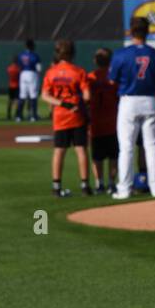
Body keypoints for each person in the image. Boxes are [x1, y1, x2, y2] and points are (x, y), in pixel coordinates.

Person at [109, 17, 155, 200]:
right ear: (147, 31)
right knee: (152, 147)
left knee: (126, 147)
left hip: (129, 101)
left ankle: (124, 189)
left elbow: (112, 80)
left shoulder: (121, 54)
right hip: (150, 100)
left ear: (131, 31)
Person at [40, 39, 92, 197]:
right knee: (81, 149)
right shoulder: (79, 71)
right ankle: (85, 186)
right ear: (73, 53)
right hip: (76, 115)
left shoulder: (51, 72)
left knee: (59, 151)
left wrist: (61, 103)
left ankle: (56, 186)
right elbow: (87, 96)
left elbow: (45, 96)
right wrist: (78, 104)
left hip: (60, 117)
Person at [85, 48, 119, 194]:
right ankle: (111, 183)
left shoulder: (90, 77)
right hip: (112, 121)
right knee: (113, 155)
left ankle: (100, 183)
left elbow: (85, 99)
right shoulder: (114, 76)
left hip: (96, 121)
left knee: (97, 156)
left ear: (95, 60)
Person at [16, 39, 43, 122]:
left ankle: (19, 116)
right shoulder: (35, 55)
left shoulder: (21, 55)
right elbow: (39, 68)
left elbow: (19, 65)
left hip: (23, 74)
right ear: (32, 46)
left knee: (22, 95)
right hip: (32, 74)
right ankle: (33, 116)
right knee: (33, 95)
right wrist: (39, 75)